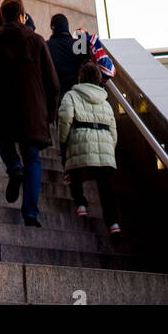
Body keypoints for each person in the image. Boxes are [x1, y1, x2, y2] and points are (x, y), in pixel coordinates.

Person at [0, 0, 60, 227]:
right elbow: (53, 83)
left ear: (1, 17)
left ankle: (14, 168)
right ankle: (31, 213)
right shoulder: (37, 41)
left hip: (3, 109)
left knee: (5, 143)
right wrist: (49, 114)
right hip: (33, 110)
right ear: (23, 17)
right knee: (33, 159)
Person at [58, 60, 121, 234]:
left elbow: (65, 119)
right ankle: (113, 223)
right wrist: (109, 148)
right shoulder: (105, 102)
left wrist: (62, 140)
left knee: (74, 170)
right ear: (98, 79)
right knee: (105, 187)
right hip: (105, 147)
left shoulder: (71, 96)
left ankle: (81, 204)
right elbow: (113, 129)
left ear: (80, 78)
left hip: (80, 140)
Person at [47, 14, 115, 94]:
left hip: (56, 98)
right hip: (79, 94)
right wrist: (85, 38)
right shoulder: (79, 45)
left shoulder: (46, 46)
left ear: (52, 28)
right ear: (67, 27)